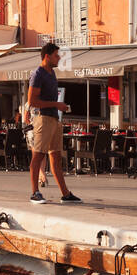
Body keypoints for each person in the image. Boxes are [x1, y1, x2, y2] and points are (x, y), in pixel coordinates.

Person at [28, 41, 80, 204]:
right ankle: (35, 192)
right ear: (47, 56)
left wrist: (58, 107)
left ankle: (65, 193)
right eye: (56, 55)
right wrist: (56, 104)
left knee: (56, 156)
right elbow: (32, 101)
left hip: (54, 118)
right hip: (43, 118)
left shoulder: (51, 73)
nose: (59, 58)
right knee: (38, 156)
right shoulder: (38, 74)